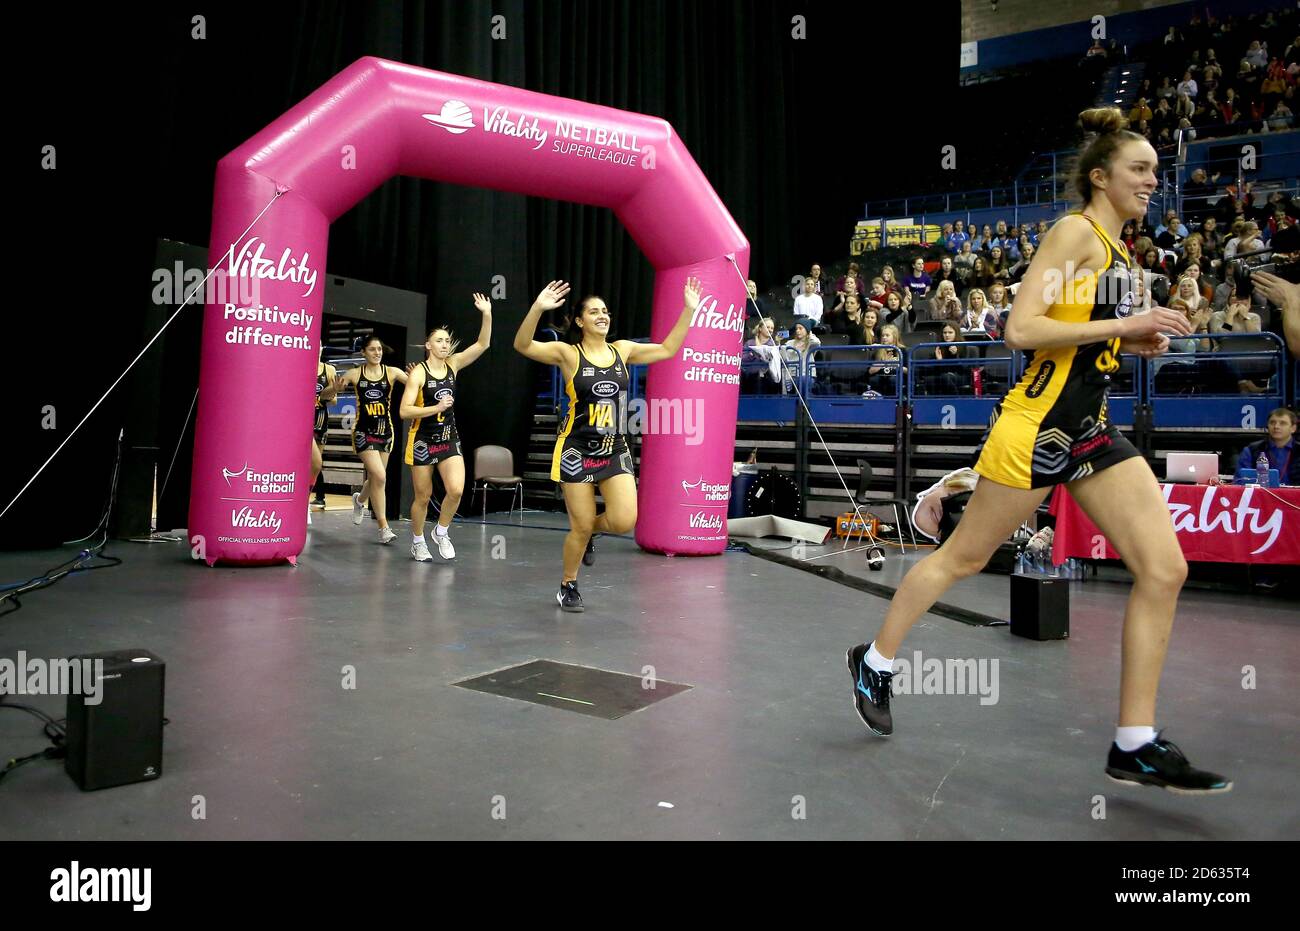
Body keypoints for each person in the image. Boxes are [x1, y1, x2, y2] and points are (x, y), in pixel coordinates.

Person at [846, 107, 1232, 795]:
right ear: (1100, 176)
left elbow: (1080, 334)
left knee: (1165, 568)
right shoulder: (1074, 234)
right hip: (1038, 426)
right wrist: (1128, 320)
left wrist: (1130, 339)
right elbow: (1022, 327)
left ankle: (1134, 741)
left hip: (1089, 427)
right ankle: (875, 660)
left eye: (1153, 170)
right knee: (962, 558)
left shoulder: (1115, 251)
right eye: (1139, 169)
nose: (1152, 179)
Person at [514, 278, 701, 612]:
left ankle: (589, 535)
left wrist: (688, 310)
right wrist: (538, 308)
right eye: (594, 311)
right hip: (576, 451)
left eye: (605, 311)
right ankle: (567, 585)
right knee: (580, 524)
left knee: (624, 520)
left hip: (614, 449)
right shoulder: (568, 354)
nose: (602, 315)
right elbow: (523, 346)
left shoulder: (623, 350)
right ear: (581, 321)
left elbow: (668, 349)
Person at [399, 298, 493, 562]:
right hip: (422, 439)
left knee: (456, 490)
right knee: (423, 496)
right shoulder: (419, 373)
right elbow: (405, 411)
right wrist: (436, 406)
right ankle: (418, 541)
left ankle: (441, 532)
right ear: (428, 345)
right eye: (439, 340)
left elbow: (483, 344)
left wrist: (486, 314)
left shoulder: (453, 365)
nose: (444, 344)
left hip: (448, 437)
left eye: (447, 341)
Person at [334, 335, 411, 544]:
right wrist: (336, 388)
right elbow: (335, 390)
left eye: (379, 349)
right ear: (363, 353)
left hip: (386, 431)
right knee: (380, 476)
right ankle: (384, 527)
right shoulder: (354, 373)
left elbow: (415, 384)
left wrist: (415, 376)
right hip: (363, 432)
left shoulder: (392, 372)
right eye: (372, 349)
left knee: (377, 478)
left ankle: (359, 500)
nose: (377, 353)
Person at [310, 349, 339, 526]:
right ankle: (304, 502)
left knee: (316, 462)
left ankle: (317, 497)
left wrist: (324, 395)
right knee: (305, 461)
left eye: (319, 345)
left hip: (320, 417)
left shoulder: (329, 370)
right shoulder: (301, 365)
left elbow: (334, 399)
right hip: (300, 417)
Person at [1236, 408, 1299, 485]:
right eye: (1272, 422)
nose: (1276, 426)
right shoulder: (1251, 450)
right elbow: (1239, 481)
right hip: (1260, 495)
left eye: (1282, 423)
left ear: (1293, 428)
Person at [1253, 271, 1300, 358]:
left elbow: (1297, 347)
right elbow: (1224, 332)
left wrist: (1289, 300)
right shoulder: (1220, 315)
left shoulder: (1253, 317)